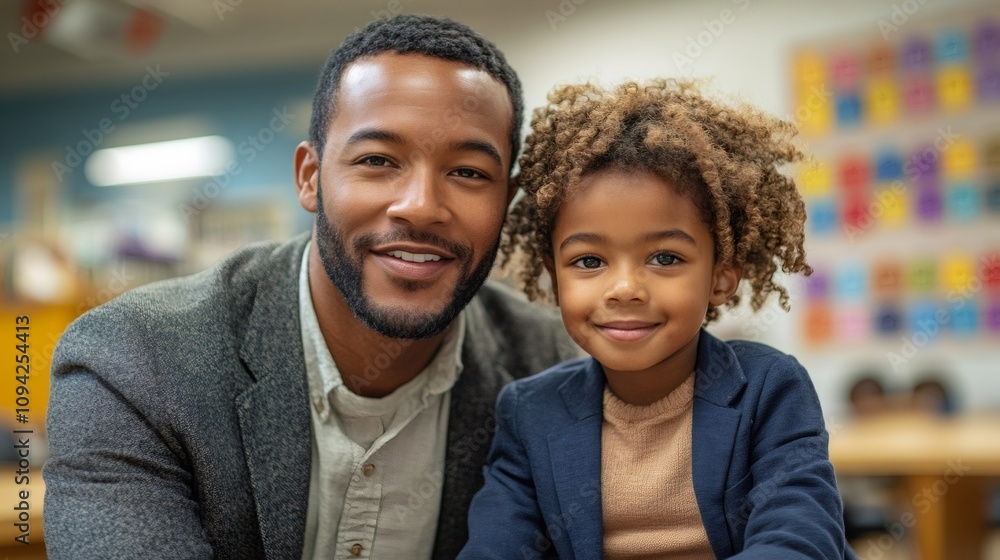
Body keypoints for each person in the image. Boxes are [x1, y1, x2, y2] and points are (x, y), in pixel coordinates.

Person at [42, 15, 578, 560]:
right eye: (377, 160)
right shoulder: (135, 361)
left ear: (507, 202)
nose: (420, 206)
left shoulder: (560, 377)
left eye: (468, 172)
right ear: (310, 177)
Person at [459, 79, 857, 559]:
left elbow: (800, 540)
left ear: (721, 278)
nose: (625, 289)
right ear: (555, 277)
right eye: (588, 261)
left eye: (665, 258)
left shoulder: (769, 388)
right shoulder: (528, 412)